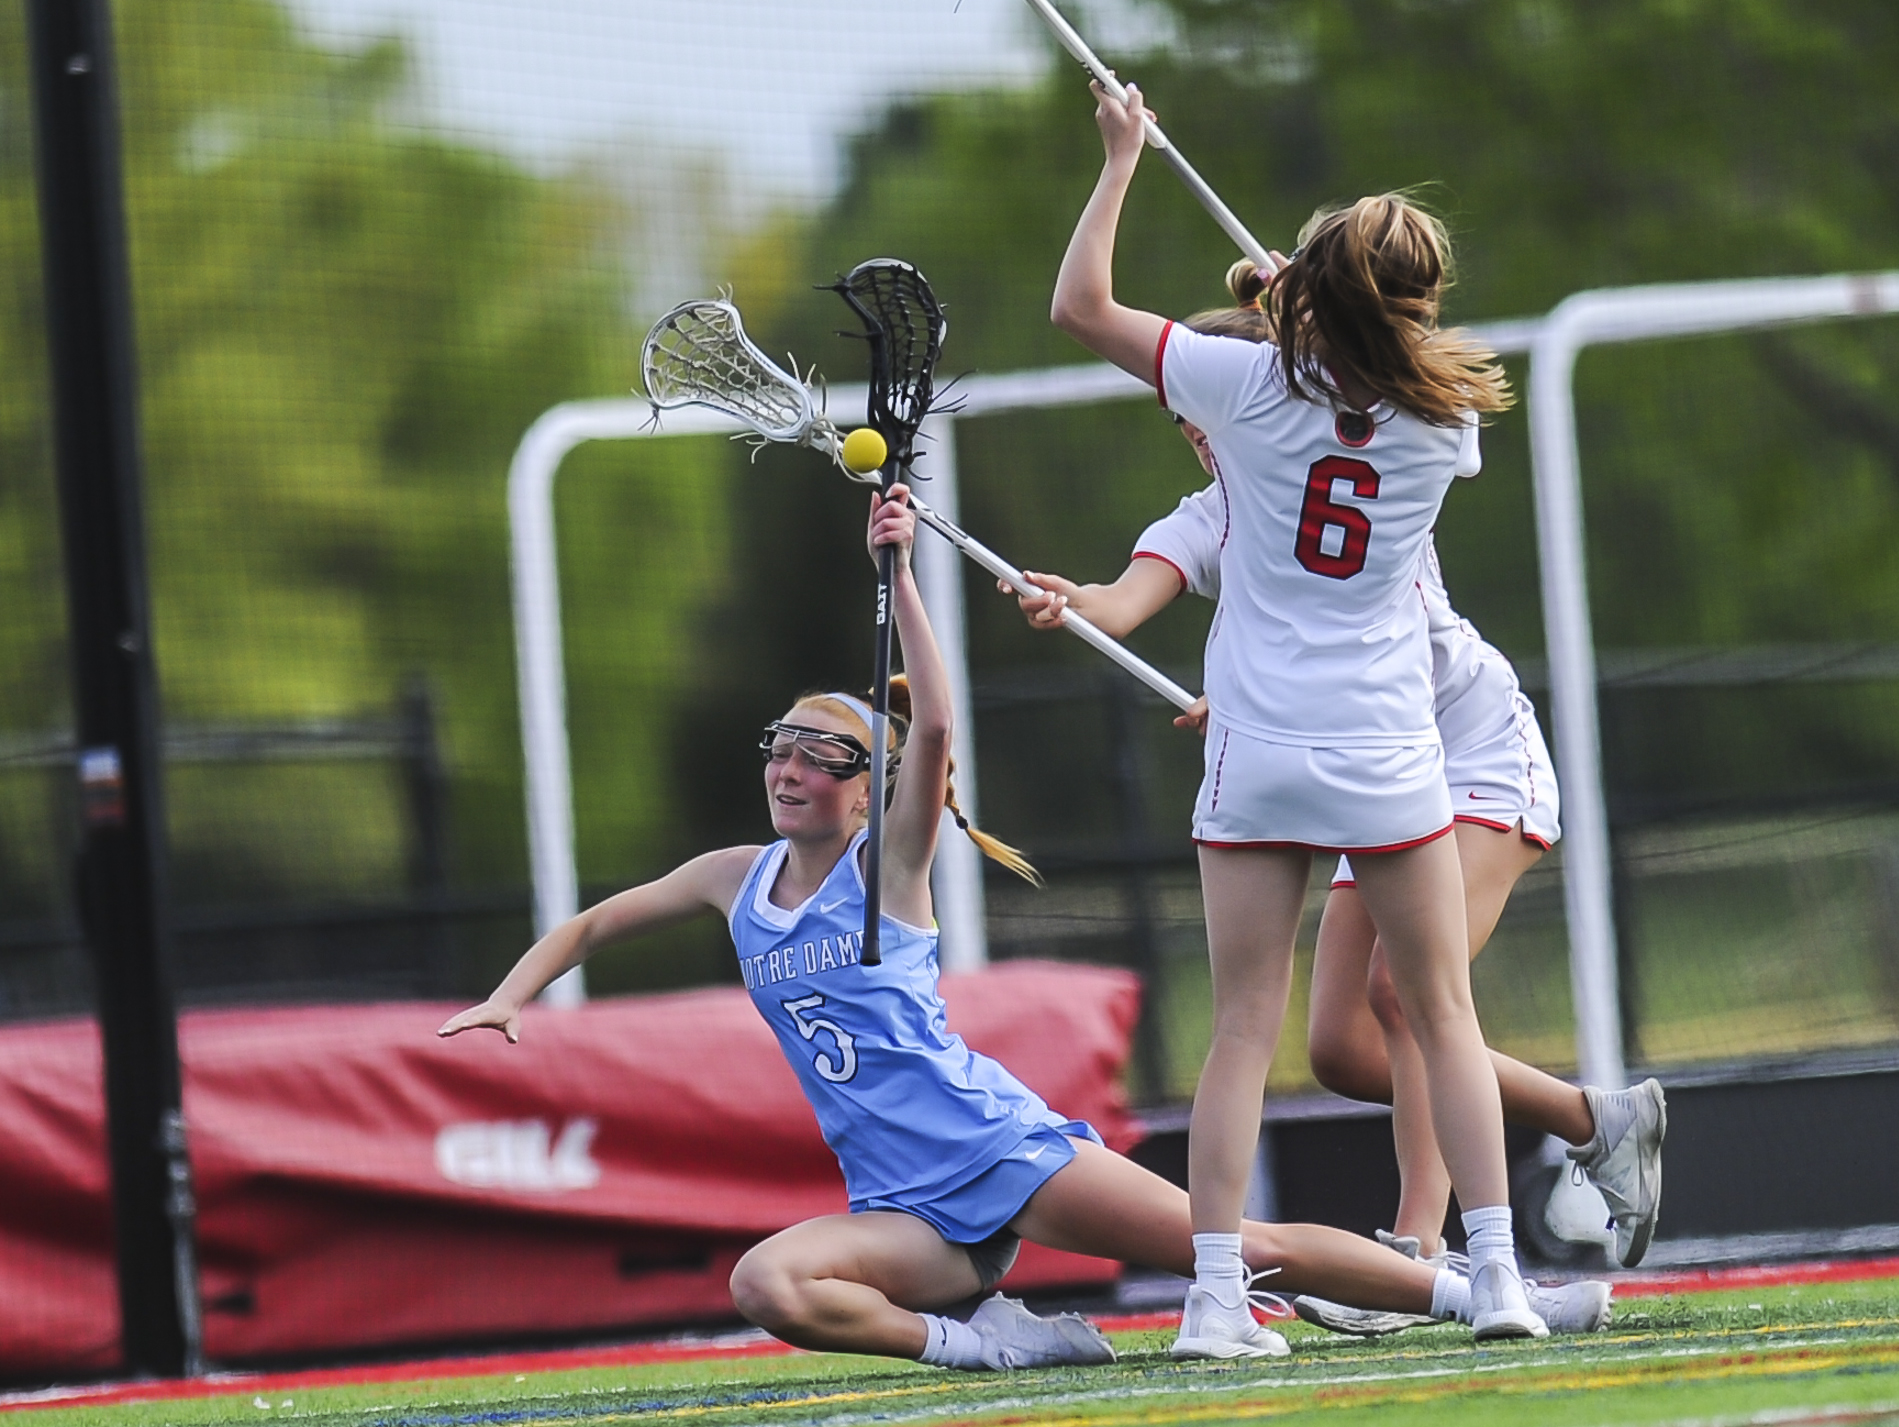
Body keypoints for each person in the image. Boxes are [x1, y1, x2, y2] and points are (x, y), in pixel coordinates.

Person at [439, 489, 1610, 1372]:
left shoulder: (887, 864)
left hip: (1001, 1155)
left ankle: (1484, 1289)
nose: (791, 767)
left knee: (1249, 1245)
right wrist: (511, 993)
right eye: (779, 748)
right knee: (767, 1283)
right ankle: (996, 1342)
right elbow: (593, 920)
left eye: (822, 754)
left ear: (869, 786)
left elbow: (937, 719)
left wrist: (895, 570)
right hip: (898, 1202)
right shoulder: (728, 877)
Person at [1010, 292, 1668, 1329]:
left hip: (1465, 748)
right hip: (1367, 756)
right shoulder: (1236, 503)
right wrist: (1100, 616)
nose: (1191, 431)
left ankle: (1422, 1254)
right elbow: (1183, 598)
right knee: (1338, 1047)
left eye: (1198, 411)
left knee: (1407, 996)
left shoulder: (1358, 449)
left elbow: (1347, 593)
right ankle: (1591, 1117)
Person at [1051, 77, 1545, 1350]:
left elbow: (1081, 307)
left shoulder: (1236, 389)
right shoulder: (1449, 426)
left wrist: (1120, 159)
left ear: (1312, 295)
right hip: (1387, 749)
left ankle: (1215, 1298)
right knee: (1444, 1016)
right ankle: (1494, 1277)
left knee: (1237, 1033)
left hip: (1258, 747)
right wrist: (1310, 304)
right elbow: (1365, 372)